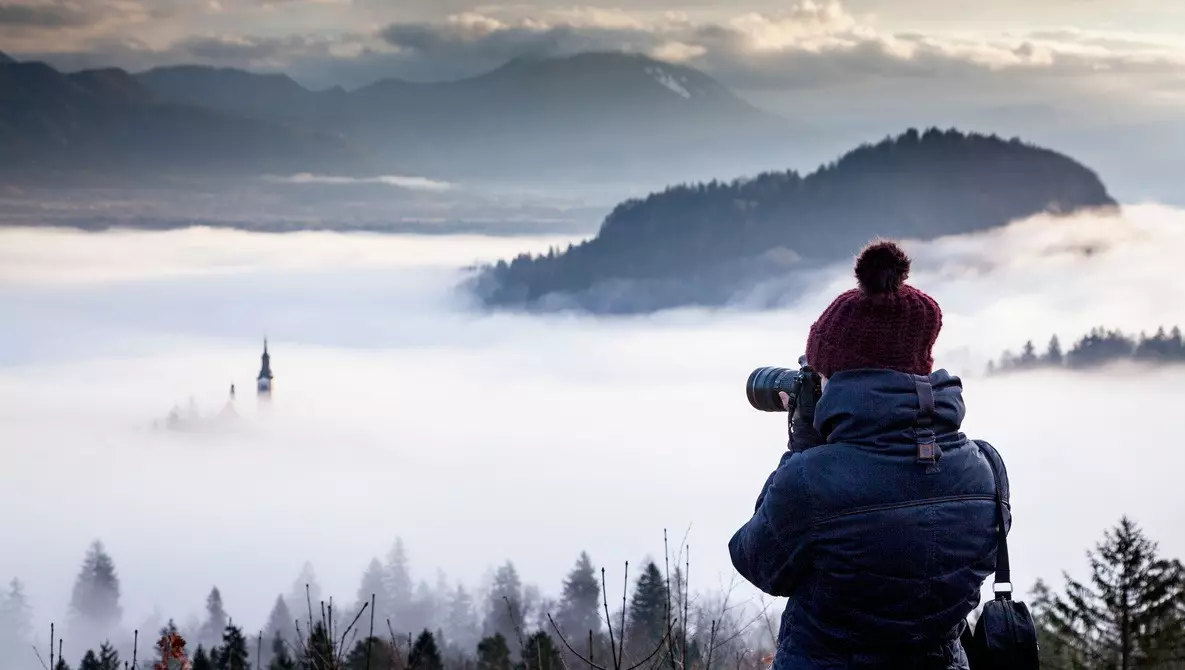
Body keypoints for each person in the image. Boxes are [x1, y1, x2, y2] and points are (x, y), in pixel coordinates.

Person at [728, 240, 1009, 669]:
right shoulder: (986, 471)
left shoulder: (811, 482)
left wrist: (803, 446)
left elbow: (757, 562)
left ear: (840, 377)